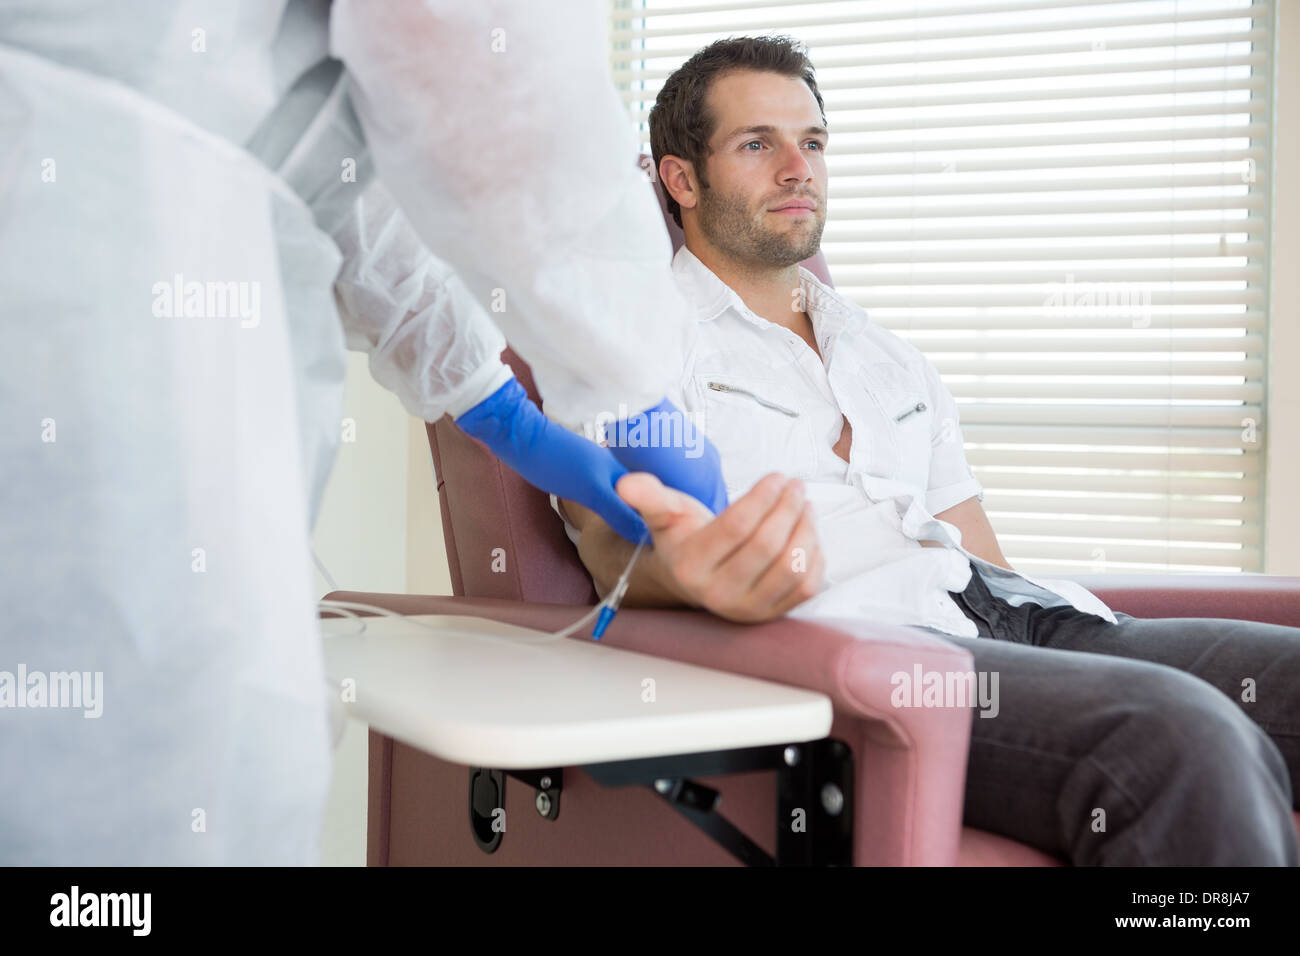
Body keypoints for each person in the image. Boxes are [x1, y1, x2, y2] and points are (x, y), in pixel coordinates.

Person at [0, 1, 725, 864]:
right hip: (102, 239)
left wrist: (495, 399)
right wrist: (629, 376)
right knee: (134, 792)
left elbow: (338, 169)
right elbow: (477, 57)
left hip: (107, 204)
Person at [555, 36, 1300, 865]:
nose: (799, 167)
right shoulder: (635, 344)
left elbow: (973, 545)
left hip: (1023, 620)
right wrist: (683, 572)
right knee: (1180, 738)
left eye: (814, 142)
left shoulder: (884, 353)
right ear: (681, 179)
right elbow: (604, 544)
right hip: (875, 659)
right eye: (758, 143)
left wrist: (1070, 674)